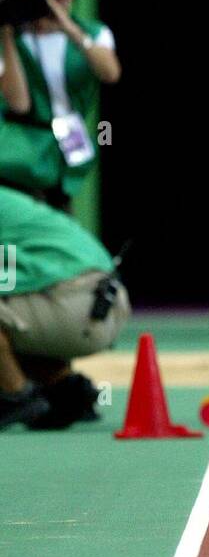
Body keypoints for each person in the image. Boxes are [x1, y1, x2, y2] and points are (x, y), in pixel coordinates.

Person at [0, 0, 120, 212]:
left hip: (65, 150)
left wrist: (67, 26)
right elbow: (19, 103)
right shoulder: (16, 38)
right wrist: (6, 27)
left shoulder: (93, 33)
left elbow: (110, 72)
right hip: (20, 154)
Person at [0, 183, 130, 430]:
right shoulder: (15, 202)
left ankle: (15, 395)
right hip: (107, 305)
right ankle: (62, 389)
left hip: (74, 305)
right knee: (13, 314)